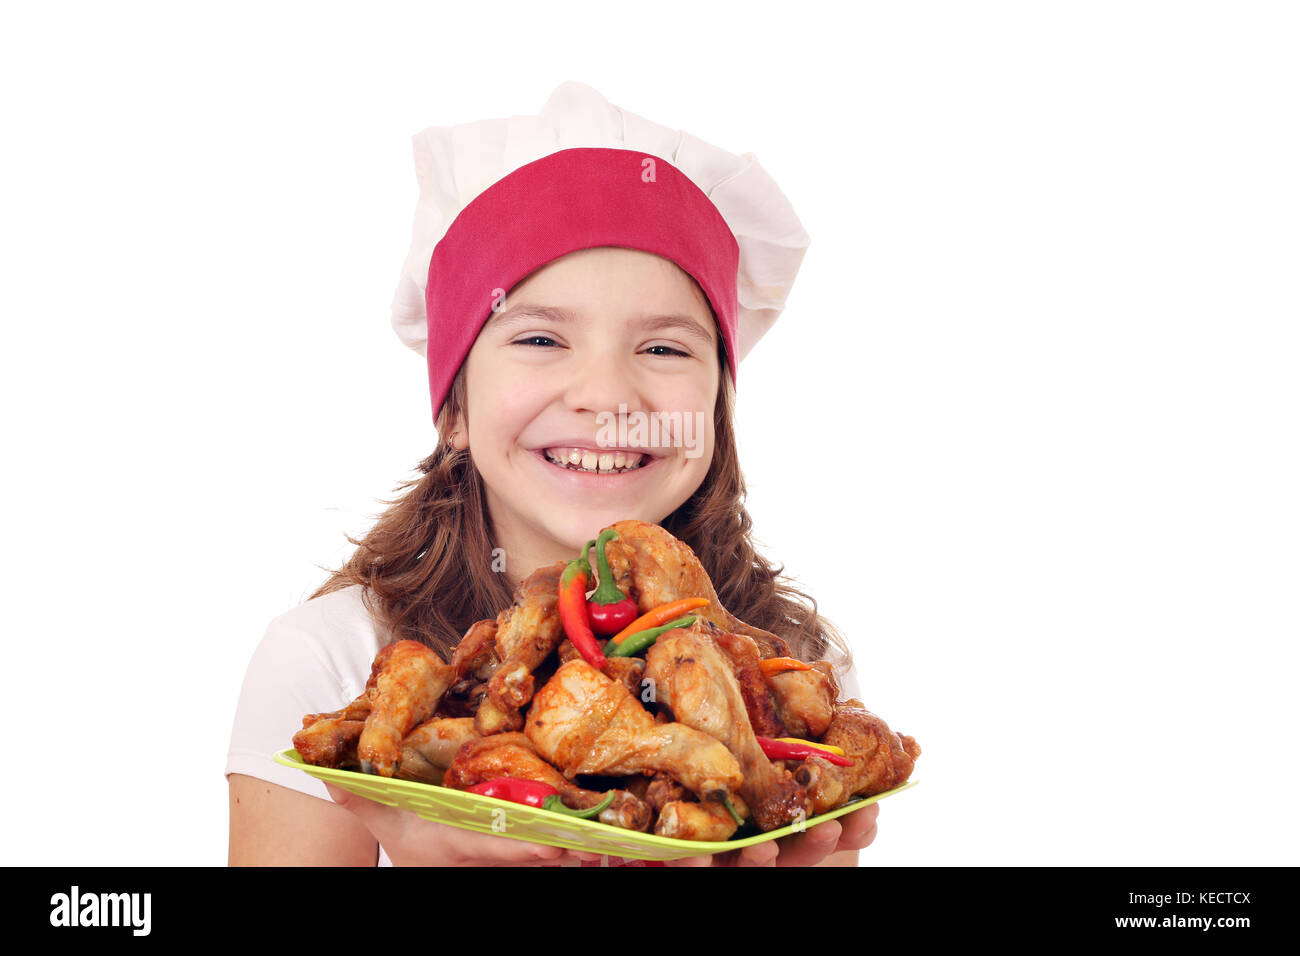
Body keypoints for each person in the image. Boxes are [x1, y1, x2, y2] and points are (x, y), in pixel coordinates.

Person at [226, 81, 878, 866]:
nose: (605, 397)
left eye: (664, 348)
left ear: (714, 410)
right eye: (539, 340)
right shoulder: (325, 662)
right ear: (456, 410)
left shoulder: (792, 676)